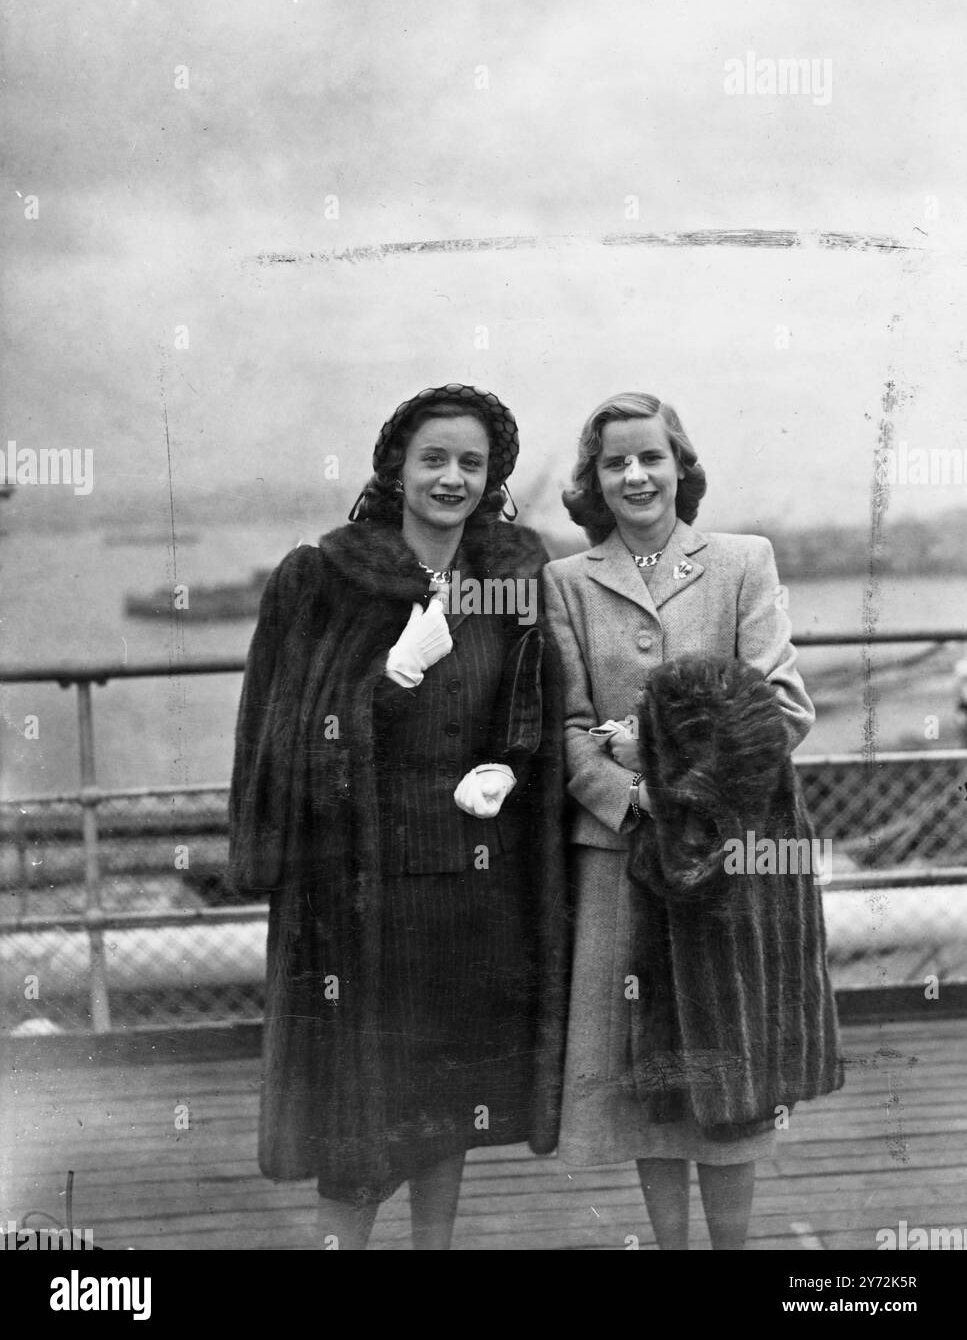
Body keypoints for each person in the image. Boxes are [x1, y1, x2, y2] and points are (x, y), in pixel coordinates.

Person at [228, 383, 565, 1250]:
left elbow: (533, 702)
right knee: (361, 1119)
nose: (451, 478)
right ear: (396, 468)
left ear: (492, 480)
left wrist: (508, 761)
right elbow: (292, 743)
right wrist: (389, 680)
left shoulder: (510, 579)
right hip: (362, 896)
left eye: (471, 464)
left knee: (447, 1103)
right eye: (433, 459)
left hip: (475, 890)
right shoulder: (328, 578)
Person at [541, 391, 841, 1250]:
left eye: (650, 457)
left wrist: (660, 756)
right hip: (618, 853)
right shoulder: (566, 582)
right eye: (614, 462)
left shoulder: (742, 561)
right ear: (593, 481)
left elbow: (781, 710)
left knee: (728, 1060)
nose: (634, 475)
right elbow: (563, 728)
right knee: (646, 1073)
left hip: (723, 856)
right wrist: (624, 791)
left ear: (680, 467)